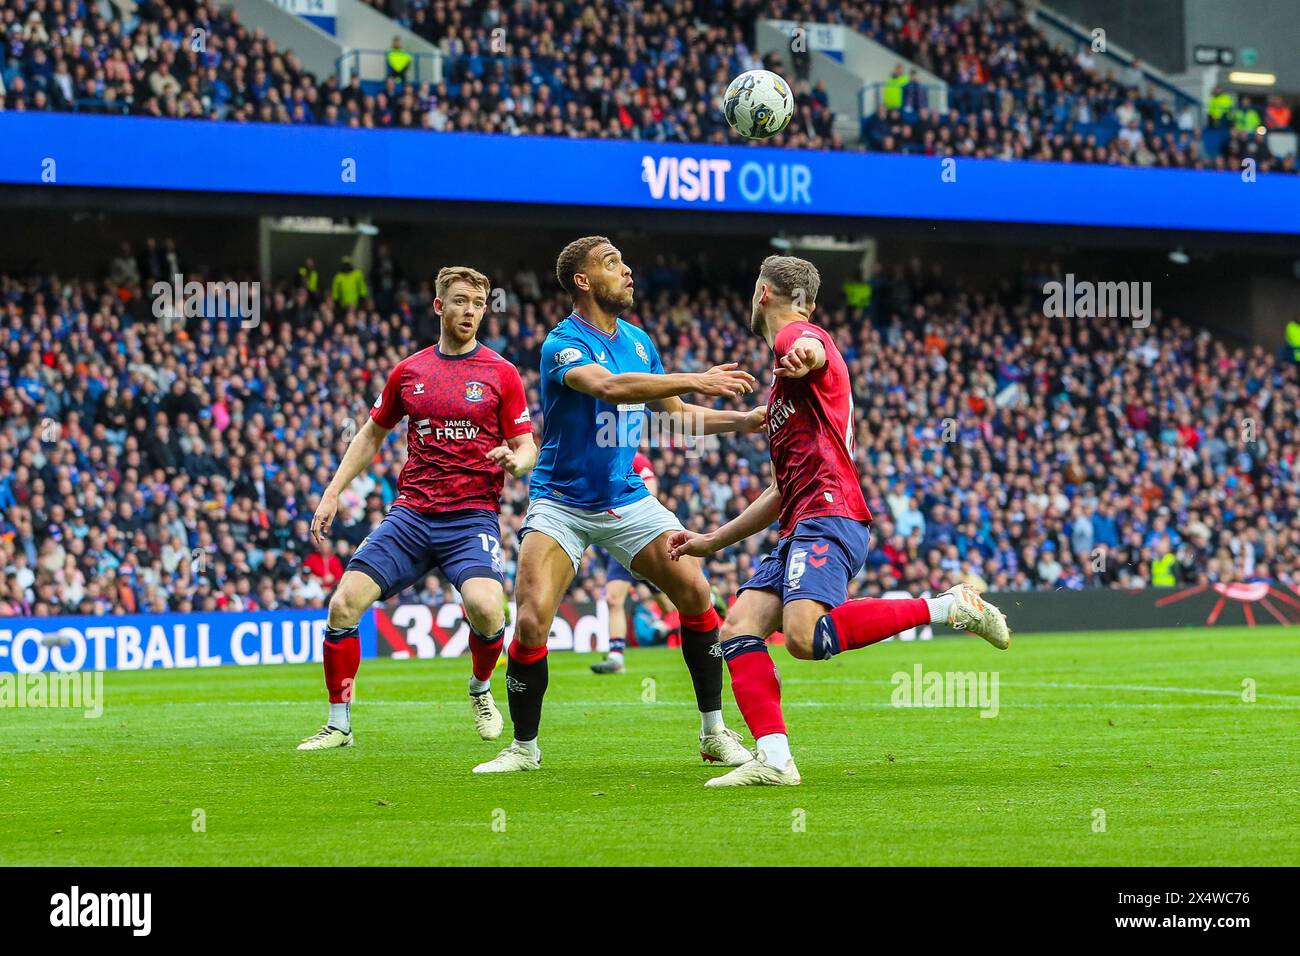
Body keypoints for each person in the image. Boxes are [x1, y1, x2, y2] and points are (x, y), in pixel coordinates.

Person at [668, 255, 1011, 787]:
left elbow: (808, 346)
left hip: (832, 513)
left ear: (764, 293)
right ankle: (776, 759)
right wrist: (712, 541)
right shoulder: (784, 393)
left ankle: (948, 606)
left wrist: (803, 352)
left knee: (804, 638)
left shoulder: (802, 341)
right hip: (800, 520)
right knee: (738, 629)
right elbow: (781, 490)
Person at [471, 236, 763, 774]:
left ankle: (714, 733)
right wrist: (697, 375)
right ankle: (524, 749)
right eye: (611, 264)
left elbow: (674, 415)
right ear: (582, 281)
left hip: (626, 497)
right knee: (532, 621)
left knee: (698, 594)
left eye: (624, 262)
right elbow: (608, 387)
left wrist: (743, 421)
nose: (626, 271)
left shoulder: (638, 339)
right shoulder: (562, 343)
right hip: (560, 500)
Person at [298, 266, 537, 751]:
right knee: (343, 603)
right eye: (460, 301)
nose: (469, 310)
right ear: (439, 306)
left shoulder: (501, 373)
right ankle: (339, 724)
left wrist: (517, 461)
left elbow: (526, 443)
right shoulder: (409, 372)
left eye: (477, 303)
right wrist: (332, 491)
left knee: (488, 610)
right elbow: (371, 434)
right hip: (411, 515)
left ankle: (479, 688)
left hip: (471, 517)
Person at [590, 450, 676, 674]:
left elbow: (651, 492)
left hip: (640, 539)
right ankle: (616, 657)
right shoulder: (600, 460)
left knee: (670, 604)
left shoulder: (637, 460)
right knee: (613, 598)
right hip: (617, 543)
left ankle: (710, 598)